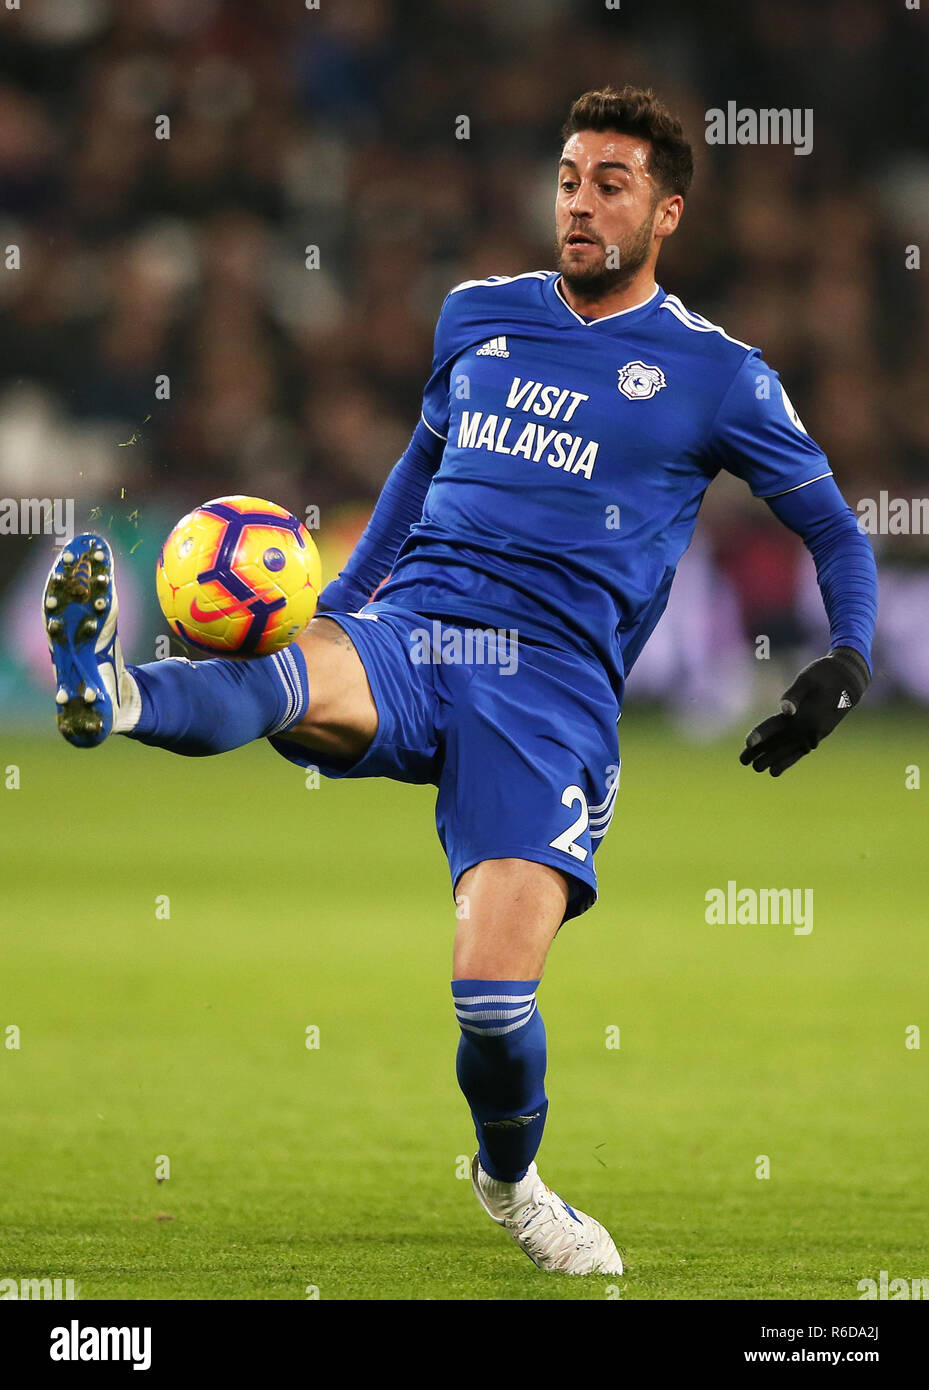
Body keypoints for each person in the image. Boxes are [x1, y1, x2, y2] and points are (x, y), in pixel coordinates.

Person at [42, 86, 877, 1277]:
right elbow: (411, 474)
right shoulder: (476, 316)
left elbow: (839, 536)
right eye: (568, 178)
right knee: (283, 676)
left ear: (667, 211)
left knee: (489, 1008)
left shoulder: (717, 375)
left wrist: (840, 661)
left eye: (610, 184)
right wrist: (339, 612)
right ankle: (114, 696)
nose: (578, 204)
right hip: (421, 630)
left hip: (550, 697)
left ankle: (508, 1179)